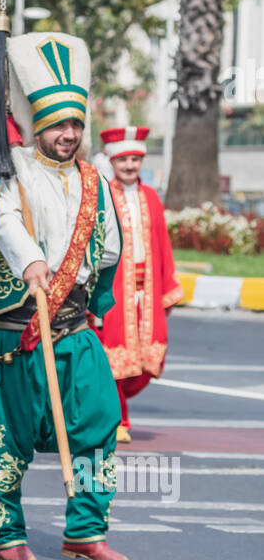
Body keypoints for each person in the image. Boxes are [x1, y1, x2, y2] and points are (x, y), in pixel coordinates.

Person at [0, 17, 128, 560]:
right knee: (9, 437)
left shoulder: (93, 179)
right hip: (18, 331)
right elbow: (3, 224)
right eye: (59, 126)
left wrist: (81, 283)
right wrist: (32, 260)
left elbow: (108, 247)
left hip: (74, 328)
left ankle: (85, 527)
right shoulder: (11, 171)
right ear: (38, 126)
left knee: (99, 422)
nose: (68, 135)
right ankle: (8, 533)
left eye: (76, 126)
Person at [96, 126, 184, 442]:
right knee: (114, 353)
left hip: (147, 289)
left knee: (149, 357)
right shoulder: (102, 196)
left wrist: (167, 291)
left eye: (135, 159)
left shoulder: (151, 198)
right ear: (113, 163)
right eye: (123, 160)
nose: (130, 166)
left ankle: (110, 407)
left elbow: (162, 244)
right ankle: (120, 419)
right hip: (116, 289)